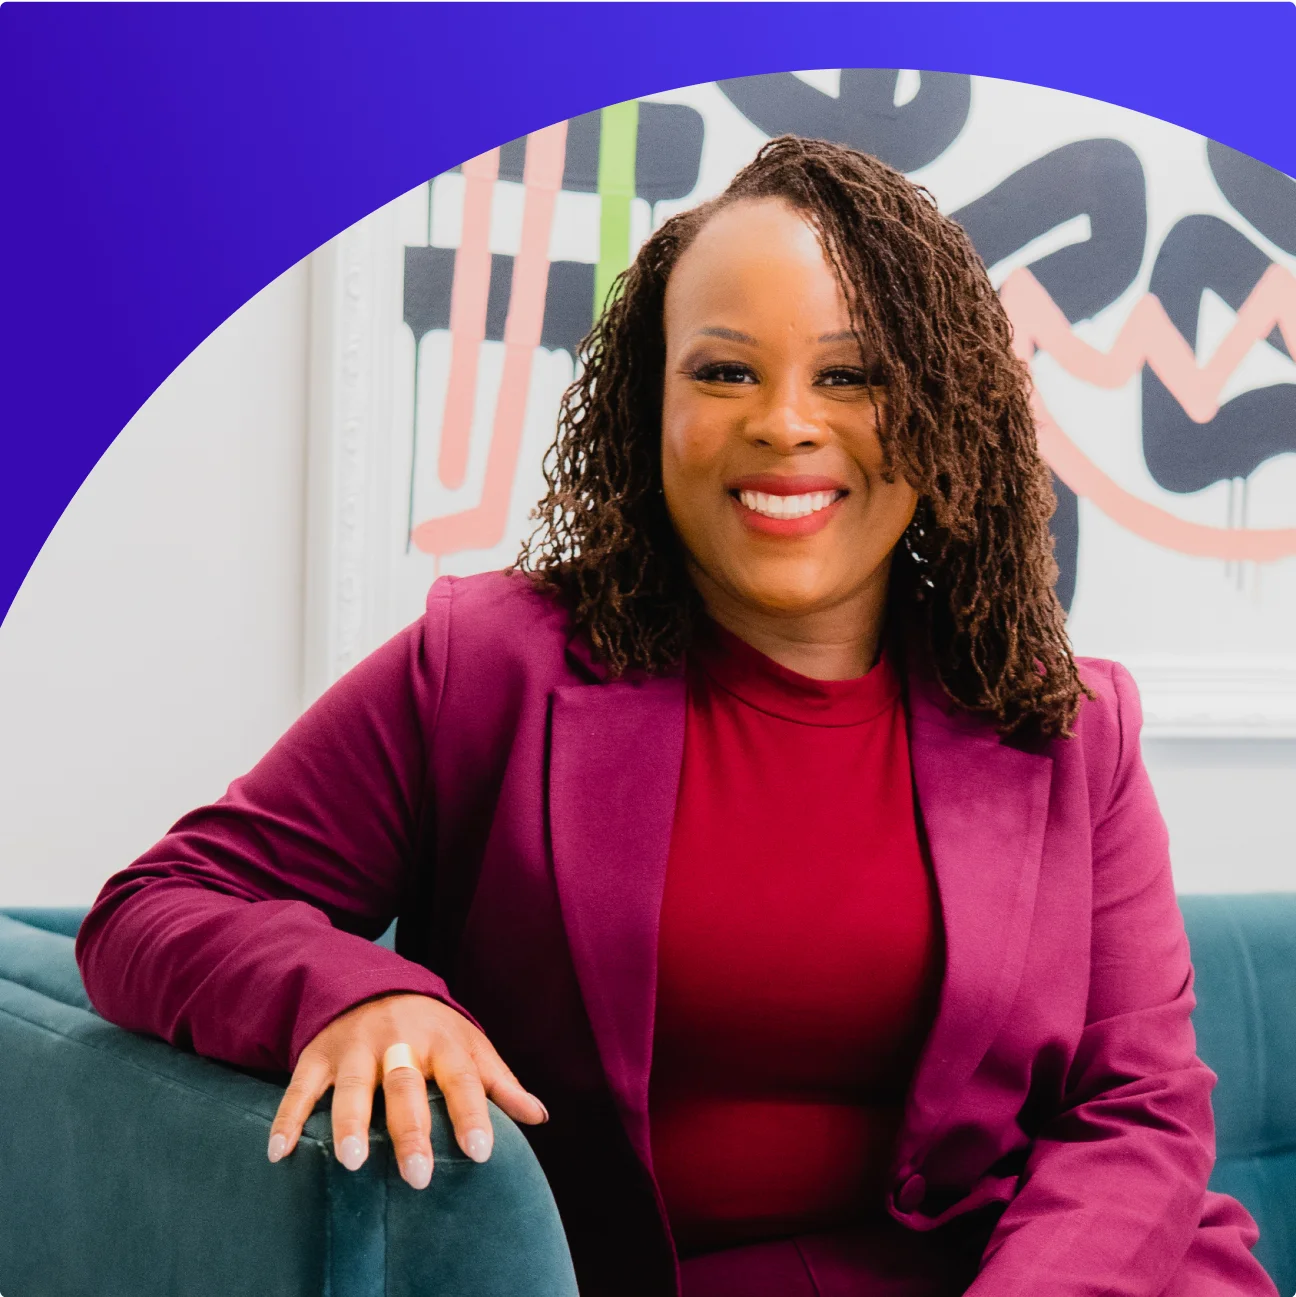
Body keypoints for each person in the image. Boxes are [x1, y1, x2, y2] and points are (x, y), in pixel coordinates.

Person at [75, 136, 1278, 1297]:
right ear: (649, 408)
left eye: (852, 374)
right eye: (724, 369)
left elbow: (1140, 1110)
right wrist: (358, 992)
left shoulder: (1066, 727)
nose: (786, 423)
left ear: (945, 410)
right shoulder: (486, 667)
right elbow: (156, 908)